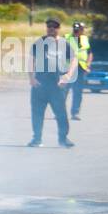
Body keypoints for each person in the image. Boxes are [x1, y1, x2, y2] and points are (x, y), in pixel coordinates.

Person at [28, 18, 76, 148]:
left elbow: (73, 59)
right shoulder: (39, 43)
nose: (51, 29)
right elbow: (31, 60)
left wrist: (68, 75)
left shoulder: (64, 44)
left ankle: (63, 139)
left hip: (57, 85)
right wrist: (31, 77)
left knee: (61, 113)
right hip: (40, 84)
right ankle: (37, 139)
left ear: (58, 29)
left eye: (54, 27)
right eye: (49, 26)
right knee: (37, 113)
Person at [66, 21, 91, 119]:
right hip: (68, 68)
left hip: (81, 68)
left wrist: (88, 64)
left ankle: (75, 113)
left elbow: (89, 53)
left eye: (80, 29)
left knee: (78, 92)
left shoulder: (85, 39)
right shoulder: (67, 38)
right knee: (64, 91)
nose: (78, 31)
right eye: (76, 29)